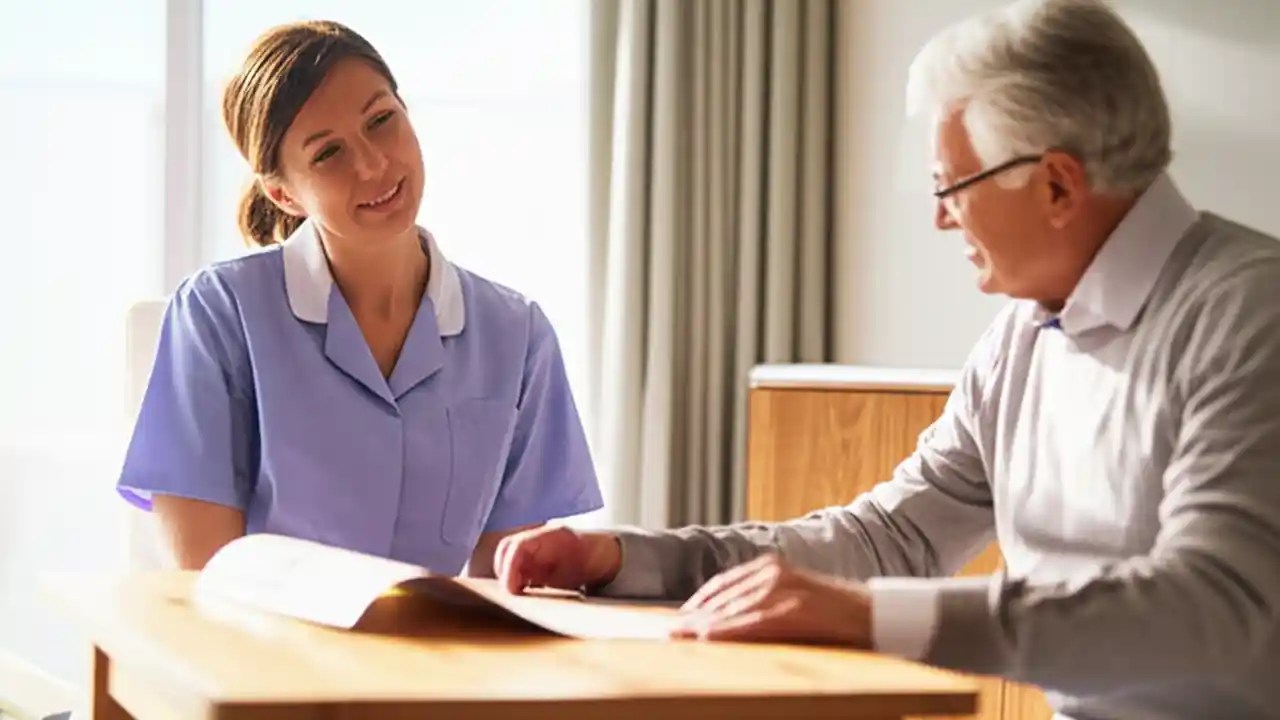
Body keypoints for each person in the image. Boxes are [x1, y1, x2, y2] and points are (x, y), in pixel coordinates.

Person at [493, 0, 1280, 717]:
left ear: (1056, 186)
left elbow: (1215, 601)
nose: (941, 218)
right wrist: (626, 558)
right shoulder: (1020, 339)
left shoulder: (1252, 314)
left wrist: (871, 617)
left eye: (951, 184)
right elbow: (887, 538)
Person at [117, 20, 602, 576]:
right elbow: (206, 577)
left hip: (436, 634)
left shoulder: (517, 336)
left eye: (381, 120)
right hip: (261, 632)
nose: (373, 165)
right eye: (328, 153)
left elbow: (508, 584)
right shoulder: (219, 314)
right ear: (282, 193)